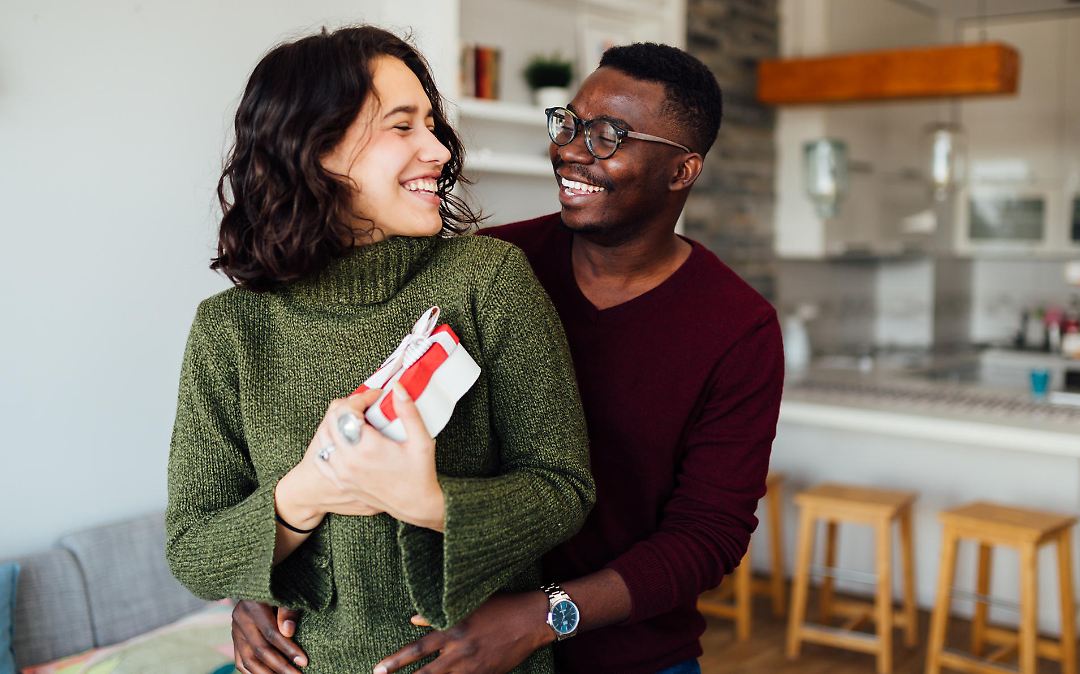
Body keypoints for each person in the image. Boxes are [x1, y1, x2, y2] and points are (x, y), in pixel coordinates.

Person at [230, 42, 784, 674]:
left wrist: (538, 617)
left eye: (610, 135)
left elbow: (707, 535)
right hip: (452, 635)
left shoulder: (738, 328)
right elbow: (346, 440)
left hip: (632, 653)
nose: (573, 150)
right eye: (570, 123)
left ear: (681, 171)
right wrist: (260, 568)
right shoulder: (486, 271)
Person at [166, 26, 594, 674]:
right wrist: (306, 493)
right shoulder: (229, 332)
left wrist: (429, 502)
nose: (438, 149)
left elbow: (564, 486)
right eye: (402, 126)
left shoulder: (489, 281)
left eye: (432, 123)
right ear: (314, 150)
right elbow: (192, 547)